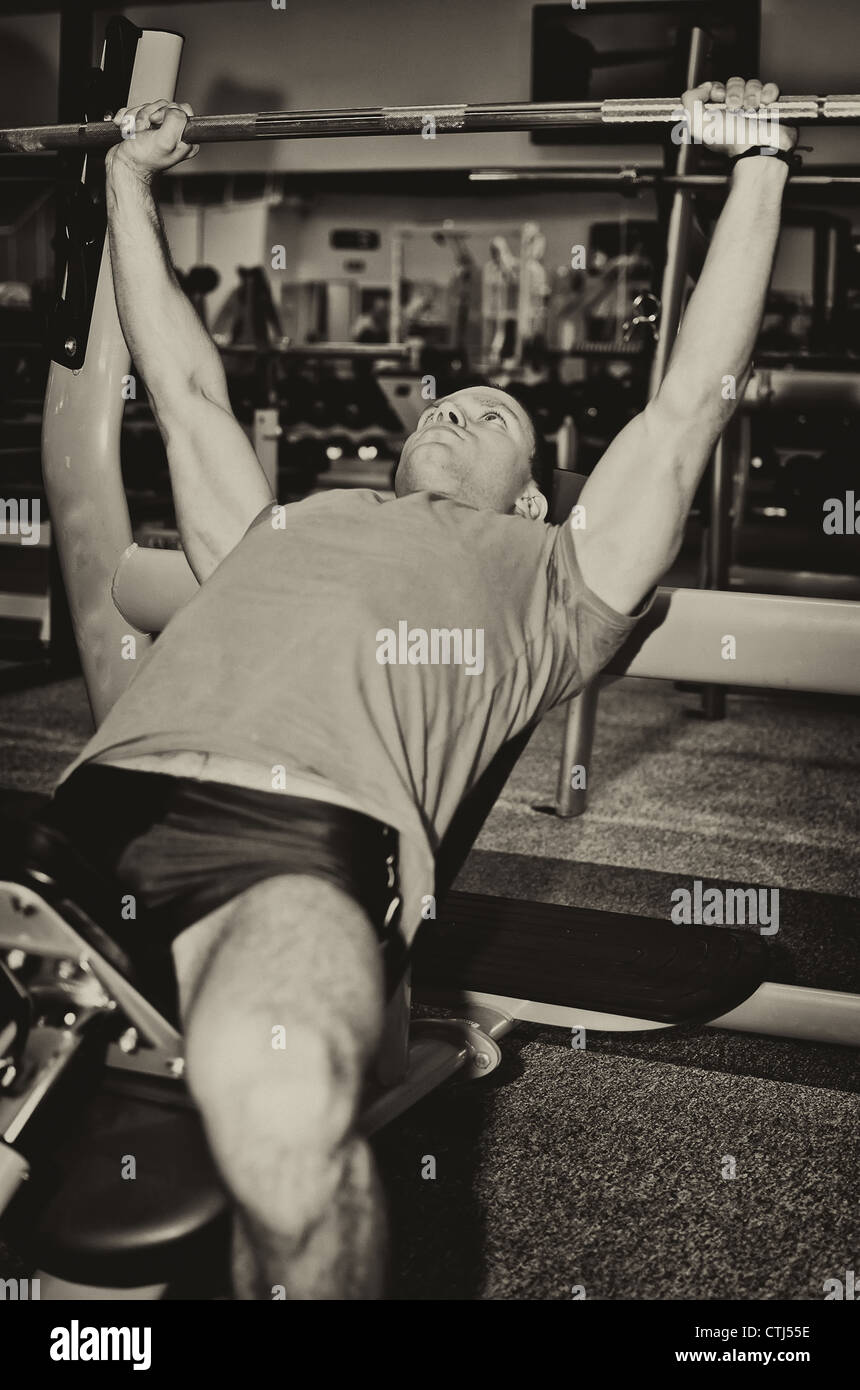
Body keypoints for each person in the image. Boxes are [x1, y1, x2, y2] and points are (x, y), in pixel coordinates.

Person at [38, 78, 796, 1299]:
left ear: (537, 494)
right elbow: (181, 390)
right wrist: (128, 181)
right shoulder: (280, 522)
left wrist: (756, 162)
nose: (451, 406)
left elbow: (683, 405)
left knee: (285, 1127)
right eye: (444, 401)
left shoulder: (557, 571)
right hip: (94, 802)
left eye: (488, 412)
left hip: (296, 839)